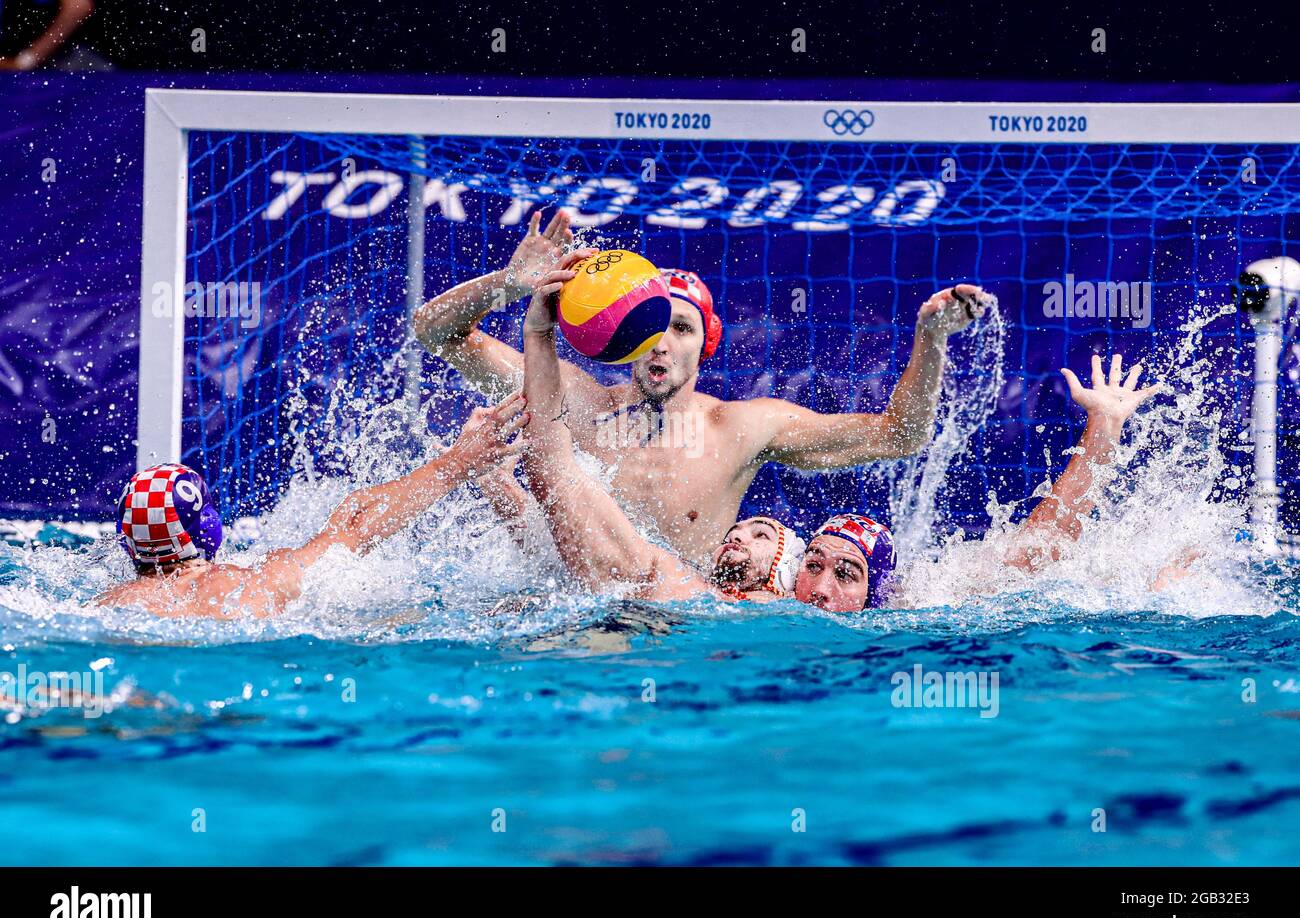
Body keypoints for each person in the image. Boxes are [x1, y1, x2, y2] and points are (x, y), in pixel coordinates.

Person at [516, 253, 1162, 612]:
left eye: (845, 574)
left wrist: (1102, 433)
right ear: (787, 573)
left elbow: (1032, 552)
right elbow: (560, 490)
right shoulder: (708, 594)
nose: (822, 586)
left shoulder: (897, 613)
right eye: (819, 566)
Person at [413, 209, 995, 565]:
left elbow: (901, 434)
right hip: (565, 618)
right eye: (651, 324)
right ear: (621, 336)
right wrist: (508, 283)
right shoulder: (571, 395)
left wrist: (931, 335)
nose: (662, 341)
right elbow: (436, 333)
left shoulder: (742, 428)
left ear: (705, 344)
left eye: (681, 327)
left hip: (680, 632)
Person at [96, 394, 528, 618]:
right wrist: (457, 462)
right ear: (206, 525)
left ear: (128, 542)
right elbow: (356, 521)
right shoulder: (261, 581)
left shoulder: (111, 606)